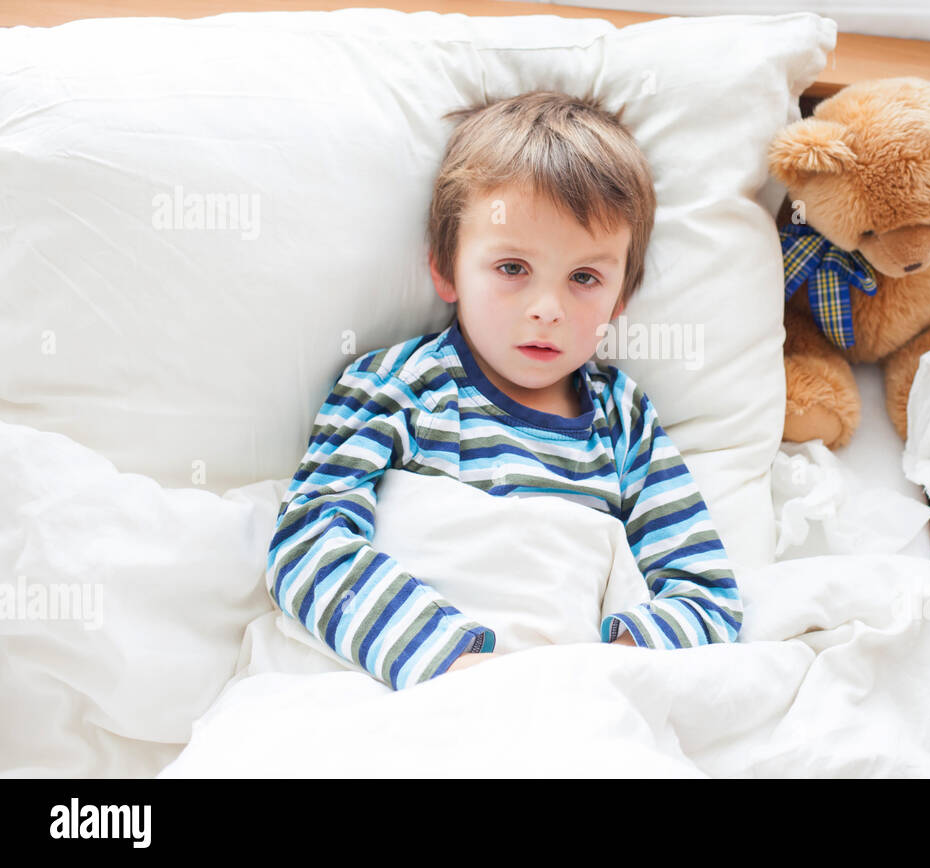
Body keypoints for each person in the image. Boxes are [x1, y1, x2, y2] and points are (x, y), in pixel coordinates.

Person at [266, 90, 743, 691]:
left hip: (566, 689)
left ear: (620, 299)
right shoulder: (396, 385)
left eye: (584, 278)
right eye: (513, 268)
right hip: (411, 677)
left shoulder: (623, 420)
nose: (547, 309)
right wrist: (454, 664)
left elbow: (707, 593)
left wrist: (600, 667)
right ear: (445, 267)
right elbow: (306, 546)